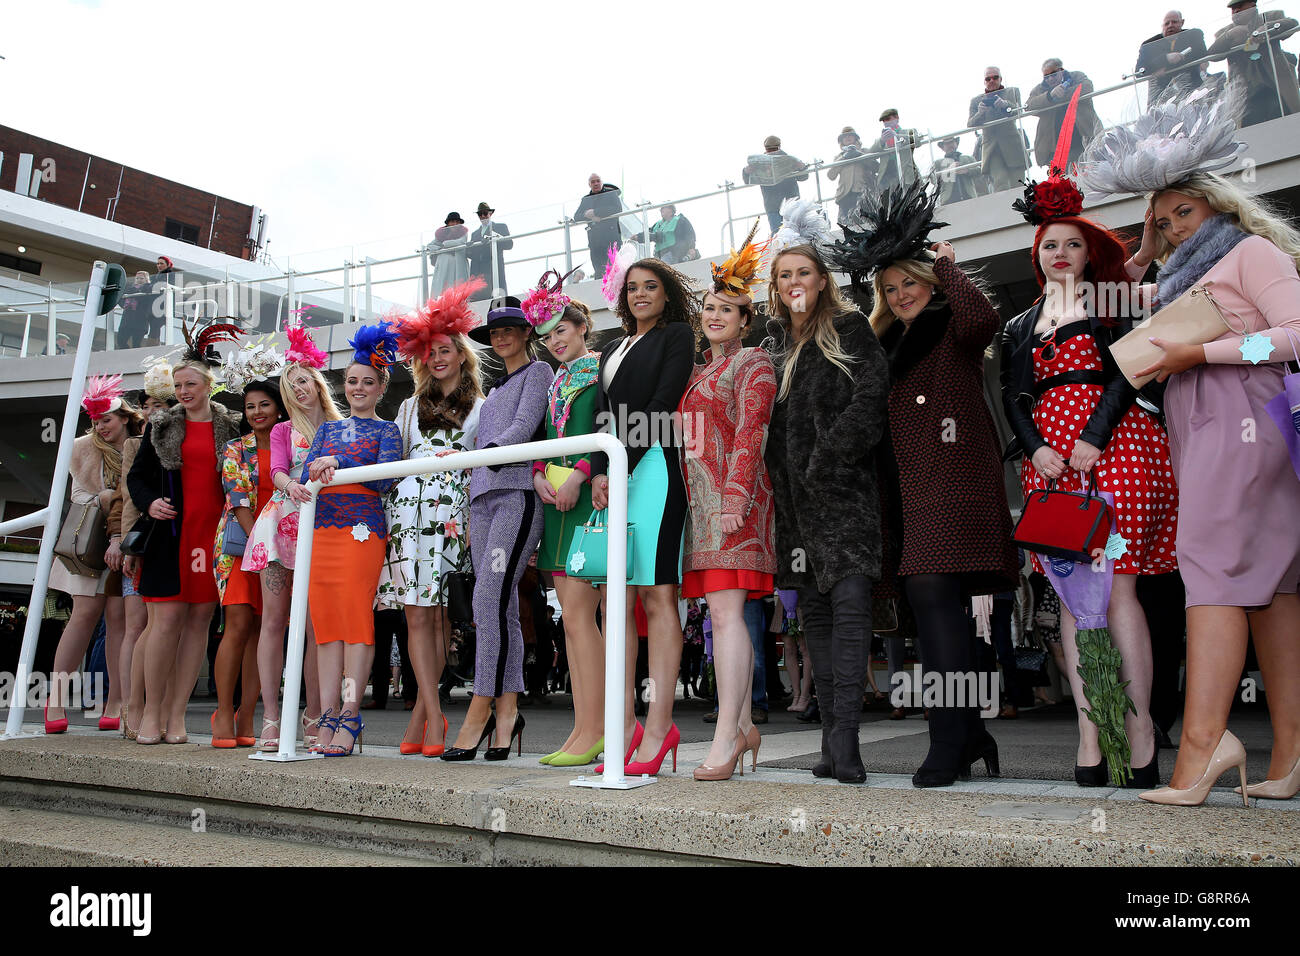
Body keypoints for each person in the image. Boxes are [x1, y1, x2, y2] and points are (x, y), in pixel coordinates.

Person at [829, 180, 1019, 787]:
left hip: (954, 476)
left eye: (909, 282)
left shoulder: (953, 325)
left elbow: (984, 317)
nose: (901, 294)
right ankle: (968, 734)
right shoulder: (882, 343)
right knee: (937, 607)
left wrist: (945, 266)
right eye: (890, 288)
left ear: (929, 281)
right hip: (906, 487)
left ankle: (947, 740)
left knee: (934, 591)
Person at [1125, 172, 1300, 804]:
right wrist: (1145, 253)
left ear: (1218, 205)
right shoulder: (1178, 278)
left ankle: (1204, 743)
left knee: (1212, 571)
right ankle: (1291, 755)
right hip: (1209, 422)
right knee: (1273, 587)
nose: (1175, 225)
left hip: (1244, 416)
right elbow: (1120, 300)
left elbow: (1296, 333)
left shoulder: (1250, 251)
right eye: (1163, 220)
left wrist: (1206, 355)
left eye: (1184, 211)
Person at [1000, 163, 1176, 789]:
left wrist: (1091, 438)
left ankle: (1141, 731)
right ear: (1037, 256)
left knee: (1117, 592)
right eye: (1050, 245)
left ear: (1088, 248)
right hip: (1050, 470)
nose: (1062, 253)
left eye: (1073, 242)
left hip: (1119, 452)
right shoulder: (1019, 326)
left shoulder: (1111, 302)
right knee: (1074, 604)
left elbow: (1131, 374)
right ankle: (1089, 730)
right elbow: (1015, 398)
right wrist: (1039, 449)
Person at [763, 199, 890, 783]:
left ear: (822, 279)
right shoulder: (770, 347)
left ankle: (848, 741)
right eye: (785, 274)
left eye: (804, 272)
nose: (795, 282)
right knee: (813, 617)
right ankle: (829, 741)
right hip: (792, 510)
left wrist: (831, 459)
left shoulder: (848, 326)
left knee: (850, 609)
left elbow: (871, 398)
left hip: (843, 498)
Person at [588, 251, 697, 776]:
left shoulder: (676, 337)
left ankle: (660, 726)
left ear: (666, 293)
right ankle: (625, 723)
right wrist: (598, 468)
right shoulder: (612, 346)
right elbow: (604, 414)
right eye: (632, 287)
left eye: (651, 286)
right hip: (616, 467)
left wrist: (619, 463)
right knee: (616, 600)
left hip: (654, 467)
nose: (640, 294)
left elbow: (662, 401)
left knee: (657, 595)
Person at [679, 229, 777, 781]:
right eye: (710, 308)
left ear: (746, 320)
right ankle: (741, 724)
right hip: (703, 509)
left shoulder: (753, 363)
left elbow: (752, 432)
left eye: (728, 309)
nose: (715, 315)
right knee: (720, 617)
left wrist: (736, 498)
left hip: (735, 507)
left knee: (725, 613)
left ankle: (727, 733)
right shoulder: (699, 373)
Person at [440, 296, 552, 761]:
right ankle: (507, 710)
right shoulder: (492, 395)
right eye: (495, 332)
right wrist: (468, 505)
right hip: (483, 501)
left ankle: (480, 706)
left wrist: (475, 454)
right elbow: (486, 453)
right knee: (497, 607)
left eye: (510, 329)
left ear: (527, 332)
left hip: (518, 495)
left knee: (489, 600)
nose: (502, 338)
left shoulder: (539, 373)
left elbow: (525, 428)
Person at [382, 278, 486, 757]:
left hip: (452, 515)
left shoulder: (482, 407)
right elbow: (396, 460)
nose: (438, 359)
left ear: (461, 353)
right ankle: (432, 711)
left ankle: (427, 715)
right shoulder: (407, 407)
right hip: (408, 514)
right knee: (415, 616)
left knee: (442, 616)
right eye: (430, 353)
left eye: (446, 350)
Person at [127, 322, 244, 744]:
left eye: (190, 383)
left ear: (208, 385)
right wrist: (149, 503)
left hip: (213, 536)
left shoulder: (232, 426)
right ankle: (149, 711)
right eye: (177, 384)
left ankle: (176, 716)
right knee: (165, 622)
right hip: (169, 535)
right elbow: (136, 479)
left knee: (199, 621)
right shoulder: (161, 425)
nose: (183, 390)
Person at [301, 322, 403, 756]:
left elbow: (384, 482)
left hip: (361, 533)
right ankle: (326, 713)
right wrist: (323, 462)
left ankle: (350, 713)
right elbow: (308, 471)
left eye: (368, 382)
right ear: (344, 386)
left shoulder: (387, 432)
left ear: (382, 388)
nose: (358, 388)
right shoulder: (325, 429)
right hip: (321, 533)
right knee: (325, 627)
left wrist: (336, 461)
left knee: (354, 620)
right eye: (352, 381)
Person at [523, 272, 605, 766]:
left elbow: (607, 427)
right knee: (572, 620)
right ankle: (580, 727)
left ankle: (597, 727)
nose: (555, 340)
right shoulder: (552, 381)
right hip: (554, 500)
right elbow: (541, 436)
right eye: (547, 334)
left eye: (562, 329)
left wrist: (579, 473)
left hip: (585, 496)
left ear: (581, 326)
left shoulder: (601, 370)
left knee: (582, 617)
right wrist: (536, 476)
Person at [244, 322, 336, 751]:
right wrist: (288, 485)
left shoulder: (341, 425)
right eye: (290, 385)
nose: (298, 390)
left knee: (318, 627)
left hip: (327, 527)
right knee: (274, 621)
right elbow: (276, 469)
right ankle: (272, 717)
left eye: (303, 381)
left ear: (317, 382)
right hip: (283, 522)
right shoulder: (283, 430)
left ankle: (316, 713)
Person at [44, 378, 144, 734]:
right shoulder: (82, 448)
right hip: (90, 544)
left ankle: (114, 701)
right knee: (83, 615)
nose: (101, 426)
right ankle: (55, 700)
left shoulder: (141, 442)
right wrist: (109, 498)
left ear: (123, 417)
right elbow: (79, 497)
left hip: (127, 543)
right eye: (96, 420)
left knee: (119, 620)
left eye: (107, 419)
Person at [209, 370, 287, 747]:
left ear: (279, 407)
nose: (257, 412)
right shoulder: (235, 448)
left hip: (280, 550)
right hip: (242, 545)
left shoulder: (292, 442)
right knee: (237, 625)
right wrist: (260, 538)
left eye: (265, 404)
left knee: (264, 629)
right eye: (250, 406)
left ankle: (248, 713)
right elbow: (237, 496)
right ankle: (223, 710)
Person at [1208, 1, 1299, 126]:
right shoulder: (1225, 32)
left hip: (1276, 87)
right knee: (1252, 131)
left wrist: (1267, 28)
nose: (1235, 10)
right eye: (1233, 8)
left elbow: (1293, 23)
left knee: (1285, 126)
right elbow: (1211, 54)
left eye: (1240, 6)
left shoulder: (1270, 17)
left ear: (1252, 4)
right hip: (1247, 95)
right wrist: (1230, 36)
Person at [1026, 59, 1103, 169]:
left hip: (1084, 140)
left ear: (1061, 70)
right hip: (1057, 149)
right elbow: (1029, 106)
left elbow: (1087, 87)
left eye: (1053, 74)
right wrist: (1049, 96)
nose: (1050, 79)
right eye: (1046, 77)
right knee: (1064, 183)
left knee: (1093, 176)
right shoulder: (1039, 89)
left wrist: (1062, 94)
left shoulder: (1077, 76)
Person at [969, 66, 1030, 193]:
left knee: (1018, 184)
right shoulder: (976, 101)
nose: (992, 80)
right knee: (1000, 182)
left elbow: (1019, 111)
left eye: (995, 77)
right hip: (991, 148)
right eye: (988, 78)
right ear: (984, 81)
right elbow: (970, 124)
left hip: (1012, 144)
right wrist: (980, 113)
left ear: (1000, 79)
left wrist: (1005, 105)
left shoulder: (1012, 92)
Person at [1136, 10, 1209, 103]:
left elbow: (1201, 54)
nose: (1170, 25)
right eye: (1167, 23)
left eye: (1174, 22)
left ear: (1182, 22)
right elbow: (1139, 72)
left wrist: (1160, 68)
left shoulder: (1193, 35)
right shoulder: (1149, 45)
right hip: (1162, 98)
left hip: (1193, 93)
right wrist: (1165, 58)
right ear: (1162, 26)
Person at [743, 137, 808, 233]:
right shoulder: (759, 162)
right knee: (778, 235)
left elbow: (804, 177)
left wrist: (801, 168)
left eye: (774, 149)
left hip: (790, 202)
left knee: (797, 232)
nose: (771, 151)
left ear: (779, 147)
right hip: (773, 206)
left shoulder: (788, 159)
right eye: (769, 149)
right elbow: (748, 181)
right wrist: (746, 172)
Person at [573, 174, 625, 275]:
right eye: (593, 182)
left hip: (611, 238)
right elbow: (577, 216)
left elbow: (617, 209)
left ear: (601, 182)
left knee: (614, 269)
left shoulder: (611, 194)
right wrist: (587, 215)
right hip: (595, 241)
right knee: (598, 271)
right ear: (589, 184)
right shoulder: (586, 199)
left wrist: (596, 212)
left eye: (598, 181)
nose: (596, 183)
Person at [826, 127, 878, 225]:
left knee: (868, 224)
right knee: (846, 226)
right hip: (844, 196)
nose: (847, 137)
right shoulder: (839, 157)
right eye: (844, 136)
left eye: (850, 135)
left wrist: (859, 155)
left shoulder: (865, 151)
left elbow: (876, 167)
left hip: (863, 193)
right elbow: (831, 175)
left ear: (855, 138)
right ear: (841, 141)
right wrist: (844, 158)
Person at [465, 202, 513, 300]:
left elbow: (509, 244)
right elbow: (472, 255)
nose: (483, 216)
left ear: (490, 214)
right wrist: (469, 249)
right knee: (479, 299)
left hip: (494, 267)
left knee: (498, 299)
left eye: (485, 213)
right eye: (480, 214)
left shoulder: (500, 227)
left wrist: (494, 239)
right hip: (479, 271)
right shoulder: (475, 234)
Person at [868, 110, 919, 194]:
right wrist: (882, 141)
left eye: (888, 119)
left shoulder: (908, 131)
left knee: (910, 199)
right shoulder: (880, 140)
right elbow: (871, 153)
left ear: (897, 118)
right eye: (884, 121)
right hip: (887, 178)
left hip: (906, 174)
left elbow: (916, 140)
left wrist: (897, 136)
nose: (886, 122)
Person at [931, 135, 989, 205]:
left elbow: (980, 172)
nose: (950, 145)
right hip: (948, 201)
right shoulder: (938, 163)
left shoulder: (968, 158)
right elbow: (933, 180)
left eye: (952, 142)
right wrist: (949, 170)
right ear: (943, 147)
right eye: (947, 144)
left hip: (969, 197)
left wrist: (967, 171)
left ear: (956, 144)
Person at [429, 211, 471, 294]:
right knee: (443, 287)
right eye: (452, 221)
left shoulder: (463, 233)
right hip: (444, 265)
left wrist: (444, 245)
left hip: (457, 264)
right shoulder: (441, 234)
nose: (455, 224)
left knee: (458, 287)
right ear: (448, 224)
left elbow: (460, 242)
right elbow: (430, 246)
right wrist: (441, 247)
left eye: (457, 222)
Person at [117, 271, 153, 349]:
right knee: (120, 341)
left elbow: (145, 299)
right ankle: (127, 355)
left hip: (140, 322)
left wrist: (135, 292)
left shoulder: (149, 287)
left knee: (136, 344)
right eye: (137, 278)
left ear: (146, 280)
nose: (139, 280)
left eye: (142, 278)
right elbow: (120, 300)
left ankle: (133, 359)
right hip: (127, 321)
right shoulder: (129, 288)